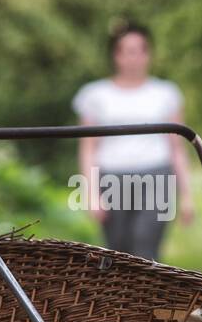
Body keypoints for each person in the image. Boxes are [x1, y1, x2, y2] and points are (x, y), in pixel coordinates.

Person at [72, 23, 193, 260]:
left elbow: (177, 148)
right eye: (127, 51)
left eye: (140, 50)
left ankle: (150, 297)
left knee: (145, 243)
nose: (134, 58)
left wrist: (187, 195)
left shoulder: (166, 94)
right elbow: (88, 148)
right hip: (112, 178)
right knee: (117, 250)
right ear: (116, 55)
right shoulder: (95, 95)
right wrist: (91, 193)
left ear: (148, 54)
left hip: (157, 177)